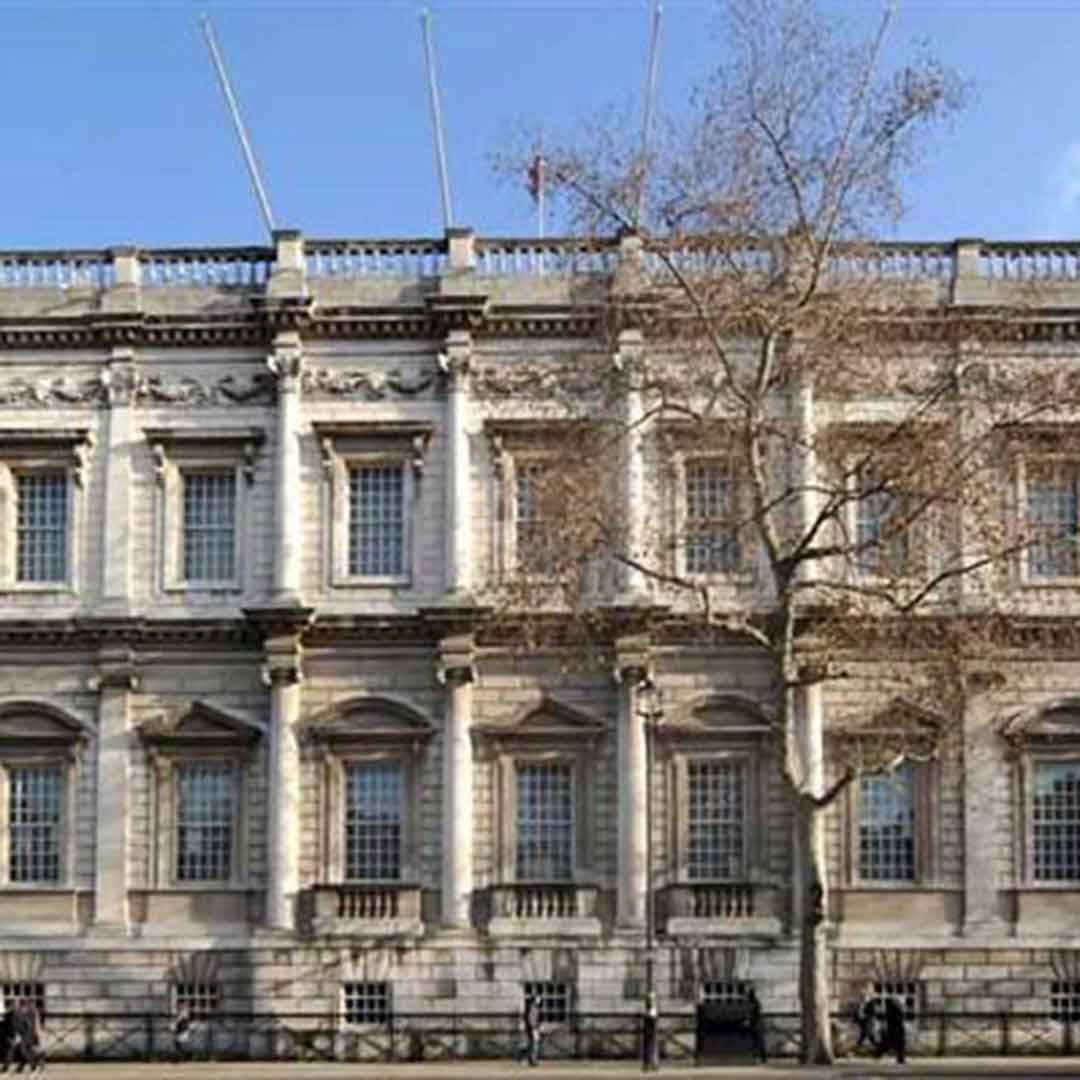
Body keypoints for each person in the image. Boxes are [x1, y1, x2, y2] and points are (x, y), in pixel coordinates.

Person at [875, 994, 907, 1065]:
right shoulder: (895, 1009)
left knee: (889, 1044)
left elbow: (885, 1018)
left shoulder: (890, 1009)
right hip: (895, 1030)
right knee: (898, 1045)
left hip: (893, 1029)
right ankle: (900, 1059)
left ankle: (879, 1054)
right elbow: (899, 1019)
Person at [852, 983, 879, 1056]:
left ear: (867, 996)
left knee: (865, 1035)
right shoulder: (859, 1004)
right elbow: (856, 1013)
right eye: (861, 996)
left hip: (868, 1022)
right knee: (869, 1036)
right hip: (861, 1022)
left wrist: (865, 1016)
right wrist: (854, 1021)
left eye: (864, 996)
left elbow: (872, 1013)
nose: (863, 997)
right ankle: (879, 1049)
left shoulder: (871, 1004)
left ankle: (854, 1050)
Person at [744, 986, 767, 1064]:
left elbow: (754, 1015)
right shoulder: (756, 1002)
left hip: (756, 1024)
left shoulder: (752, 1003)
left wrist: (749, 1021)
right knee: (758, 1043)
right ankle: (760, 1058)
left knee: (756, 1042)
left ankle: (758, 1058)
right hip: (757, 1024)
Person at [520, 992, 541, 1067]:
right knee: (532, 1044)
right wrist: (533, 1028)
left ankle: (531, 1059)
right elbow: (530, 1019)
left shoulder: (534, 1007)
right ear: (534, 999)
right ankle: (530, 1060)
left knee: (531, 1044)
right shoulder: (532, 1007)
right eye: (538, 998)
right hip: (532, 1028)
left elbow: (534, 1019)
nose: (539, 1000)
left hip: (533, 1028)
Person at [640, 991, 659, 1071]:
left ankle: (650, 1063)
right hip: (650, 1022)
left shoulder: (651, 1010)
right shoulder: (650, 1010)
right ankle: (650, 1063)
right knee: (650, 1045)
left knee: (650, 1045)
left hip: (650, 1022)